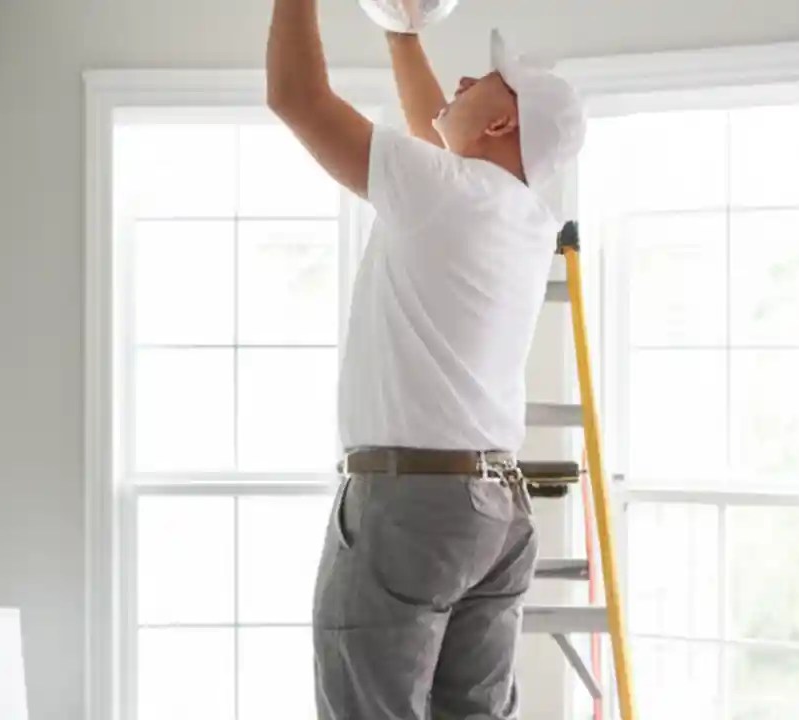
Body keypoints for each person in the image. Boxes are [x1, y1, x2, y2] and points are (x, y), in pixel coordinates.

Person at [266, 2, 586, 718]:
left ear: (503, 124)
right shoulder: (523, 212)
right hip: (493, 513)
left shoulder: (450, 196)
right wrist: (399, 33)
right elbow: (433, 133)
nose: (466, 76)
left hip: (414, 507)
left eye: (487, 81)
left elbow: (296, 98)